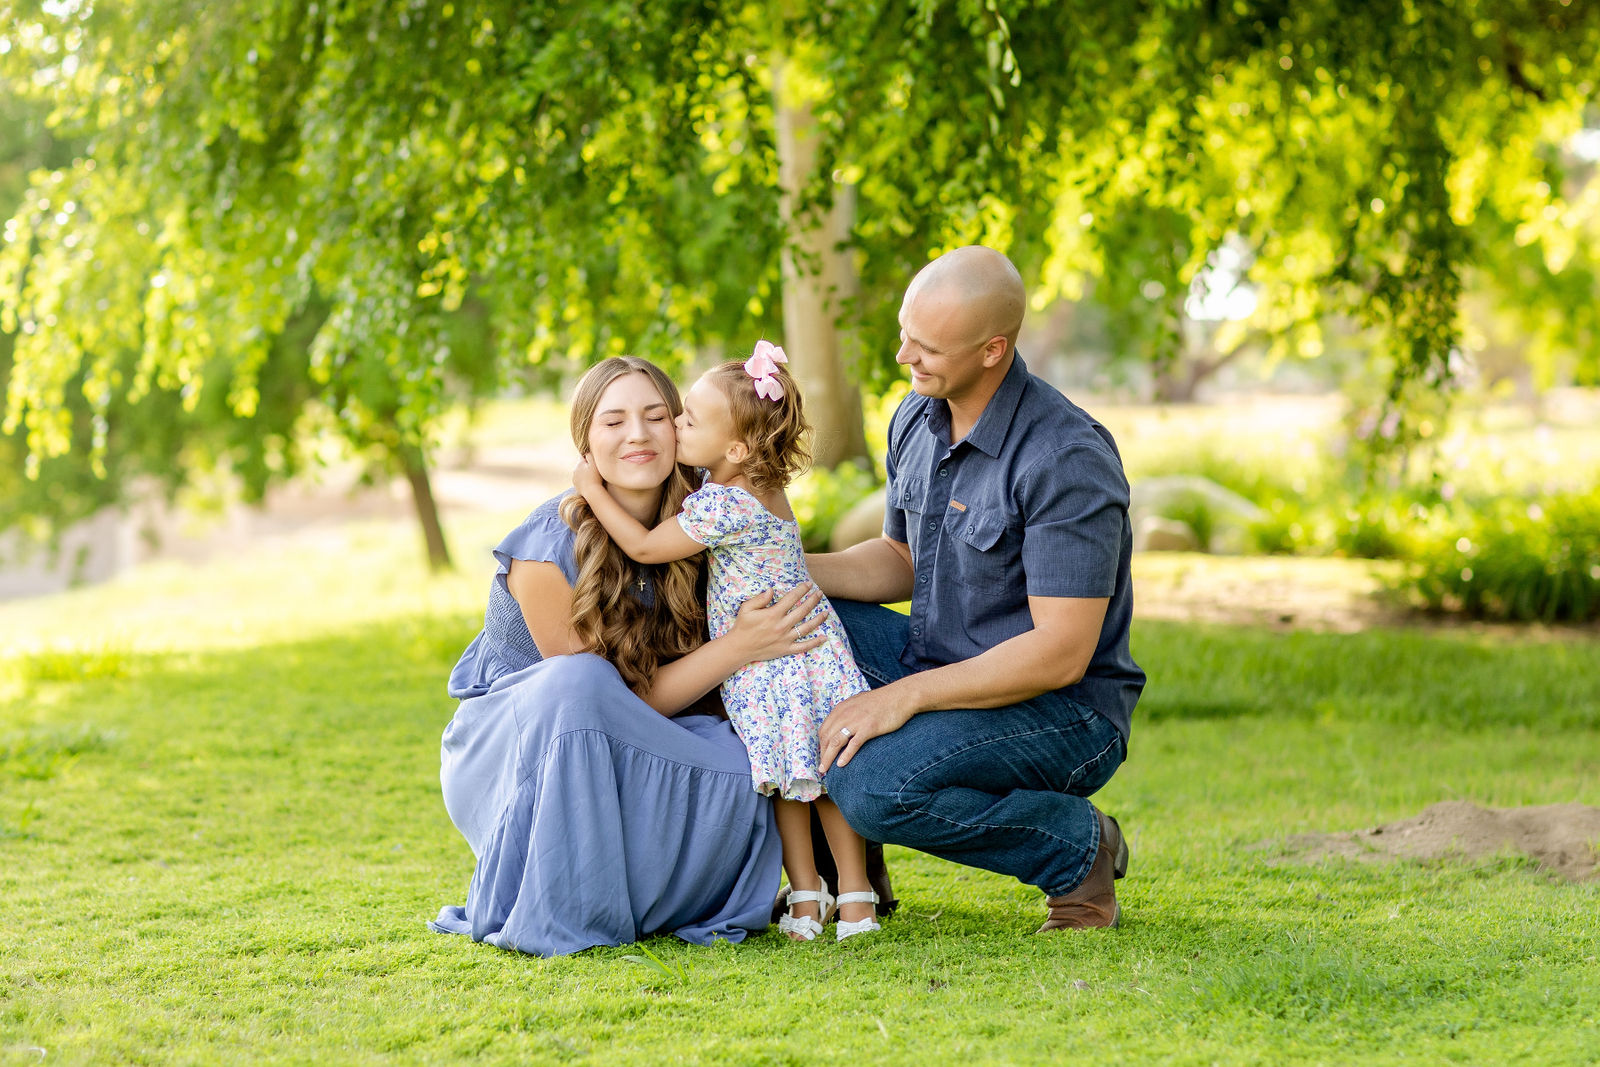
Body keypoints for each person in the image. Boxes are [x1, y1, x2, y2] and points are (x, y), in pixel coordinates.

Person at [430, 355, 836, 958]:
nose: (638, 435)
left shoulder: (710, 516)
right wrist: (739, 646)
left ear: (683, 428)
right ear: (585, 442)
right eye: (614, 421)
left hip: (642, 730)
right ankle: (575, 899)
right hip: (520, 748)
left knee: (744, 757)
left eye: (655, 416)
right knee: (581, 679)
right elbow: (598, 704)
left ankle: (798, 885)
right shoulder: (544, 547)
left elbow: (781, 563)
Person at [806, 245, 1145, 931]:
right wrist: (784, 564)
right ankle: (851, 873)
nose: (905, 356)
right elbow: (900, 559)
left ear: (993, 350)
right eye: (905, 333)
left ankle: (1078, 849)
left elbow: (1060, 652)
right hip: (945, 656)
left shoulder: (1065, 457)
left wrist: (900, 697)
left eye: (927, 346)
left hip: (1064, 709)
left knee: (872, 784)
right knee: (789, 621)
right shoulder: (916, 416)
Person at [572, 344, 882, 943]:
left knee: (809, 782)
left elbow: (641, 547)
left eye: (688, 420)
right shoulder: (756, 487)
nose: (676, 427)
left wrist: (592, 488)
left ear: (735, 450)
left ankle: (852, 896)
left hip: (785, 658)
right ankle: (812, 895)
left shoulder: (726, 503)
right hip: (782, 656)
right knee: (784, 777)